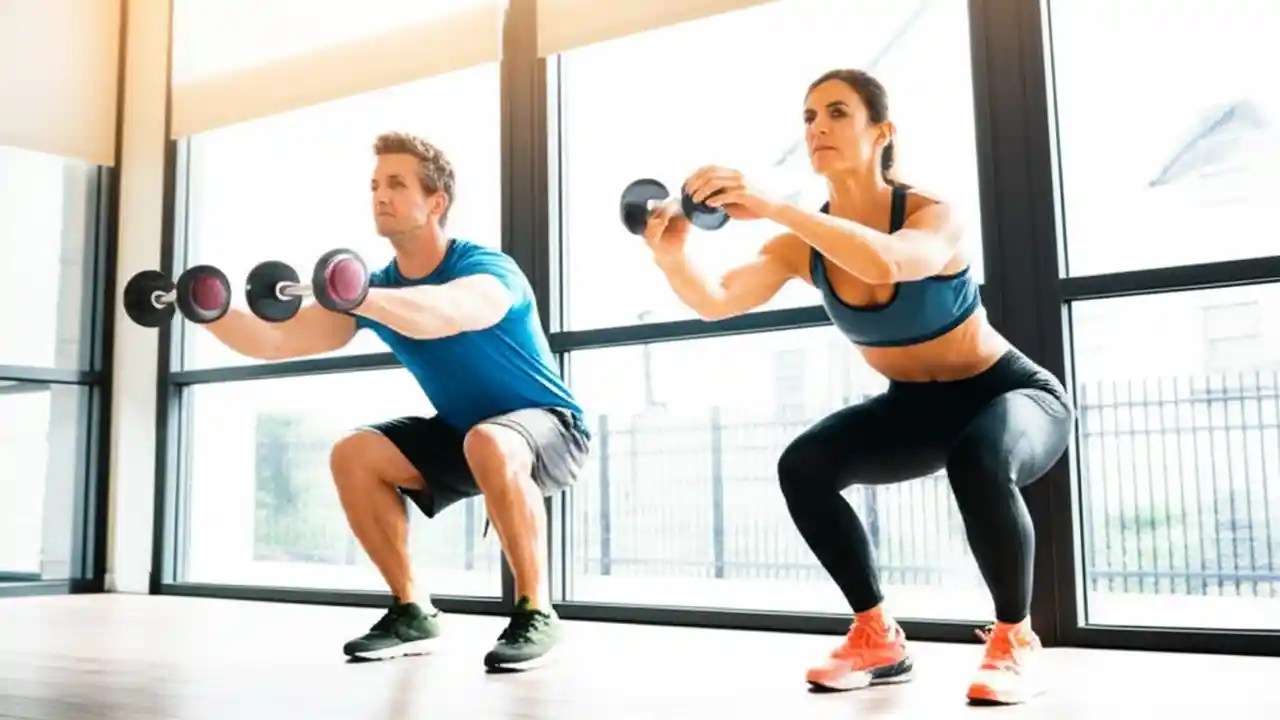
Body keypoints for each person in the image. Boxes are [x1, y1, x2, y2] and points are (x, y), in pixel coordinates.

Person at [642, 68, 1074, 706]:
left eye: (837, 113)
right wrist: (672, 256)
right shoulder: (801, 249)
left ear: (882, 132)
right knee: (805, 466)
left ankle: (1016, 641)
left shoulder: (933, 214)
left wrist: (770, 206)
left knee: (979, 457)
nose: (817, 127)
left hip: (1008, 395)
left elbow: (888, 261)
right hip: (916, 409)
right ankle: (876, 637)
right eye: (809, 117)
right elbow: (717, 300)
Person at [203, 131, 591, 671]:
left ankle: (537, 611)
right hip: (467, 433)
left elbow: (447, 312)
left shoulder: (484, 267)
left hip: (550, 426)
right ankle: (413, 611)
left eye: (396, 184)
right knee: (354, 454)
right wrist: (209, 309)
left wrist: (360, 296)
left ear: (437, 202)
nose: (380, 196)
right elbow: (277, 339)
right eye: (374, 185)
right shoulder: (378, 285)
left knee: (490, 440)